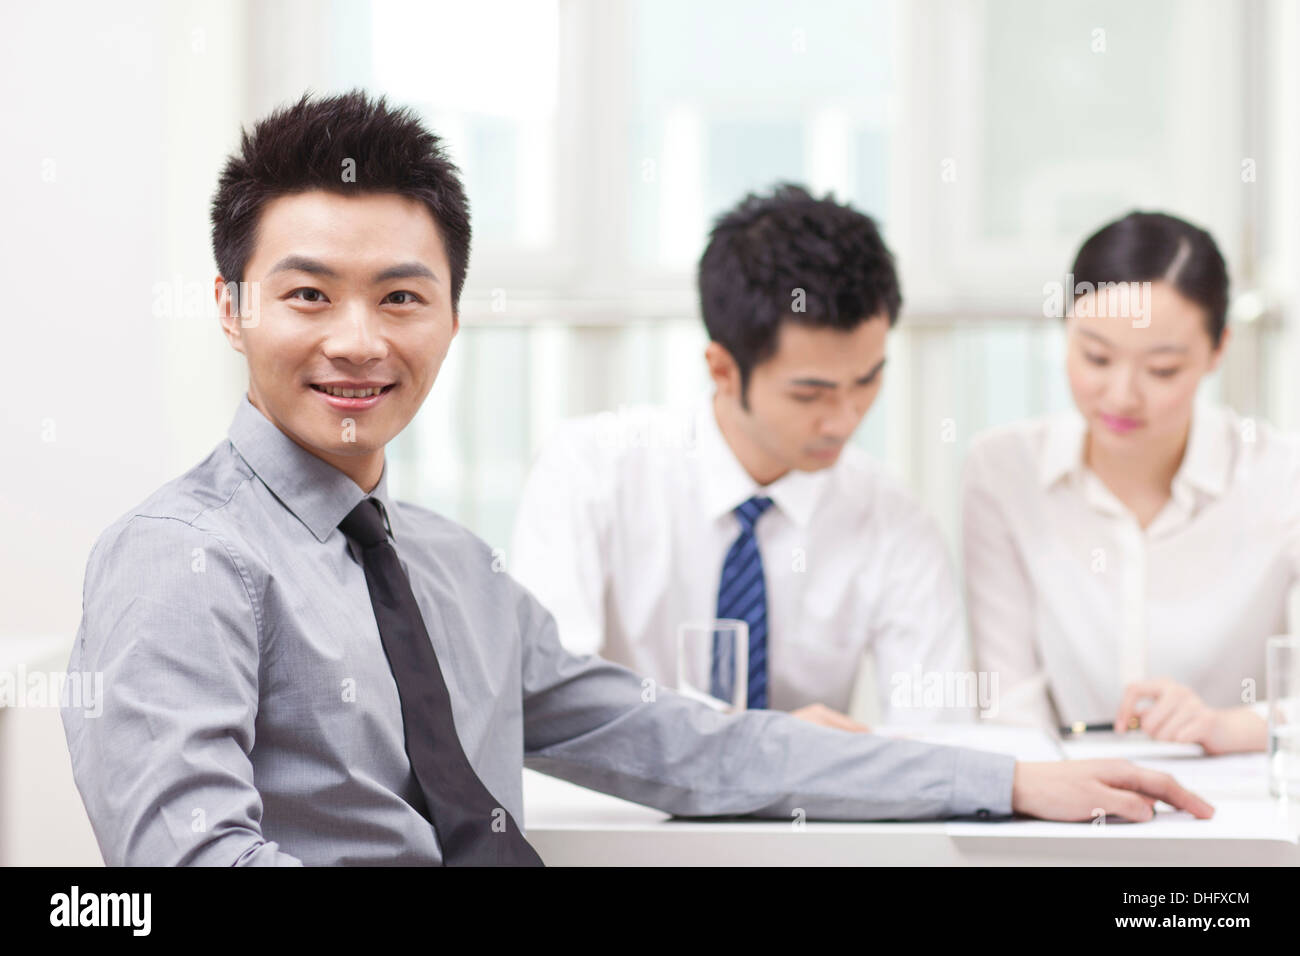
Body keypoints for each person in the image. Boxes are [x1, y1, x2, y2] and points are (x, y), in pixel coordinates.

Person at [61, 92, 1212, 867]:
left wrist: (1001, 779)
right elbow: (190, 859)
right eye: (308, 294)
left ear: (453, 315)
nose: (358, 340)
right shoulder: (182, 553)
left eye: (401, 297)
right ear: (230, 306)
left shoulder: (452, 568)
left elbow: (691, 741)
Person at [511, 184, 971, 730]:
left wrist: (840, 757)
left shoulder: (890, 515)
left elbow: (938, 733)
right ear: (724, 370)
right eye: (810, 393)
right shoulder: (589, 469)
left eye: (868, 381)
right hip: (620, 809)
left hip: (815, 808)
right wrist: (757, 748)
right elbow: (546, 701)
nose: (846, 419)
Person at [962, 210, 1299, 753]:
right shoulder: (1004, 470)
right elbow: (1007, 705)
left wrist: (1225, 728)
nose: (1121, 395)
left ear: (1218, 350)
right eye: (1095, 356)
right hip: (1059, 800)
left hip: (1233, 804)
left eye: (1161, 369)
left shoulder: (1280, 476)